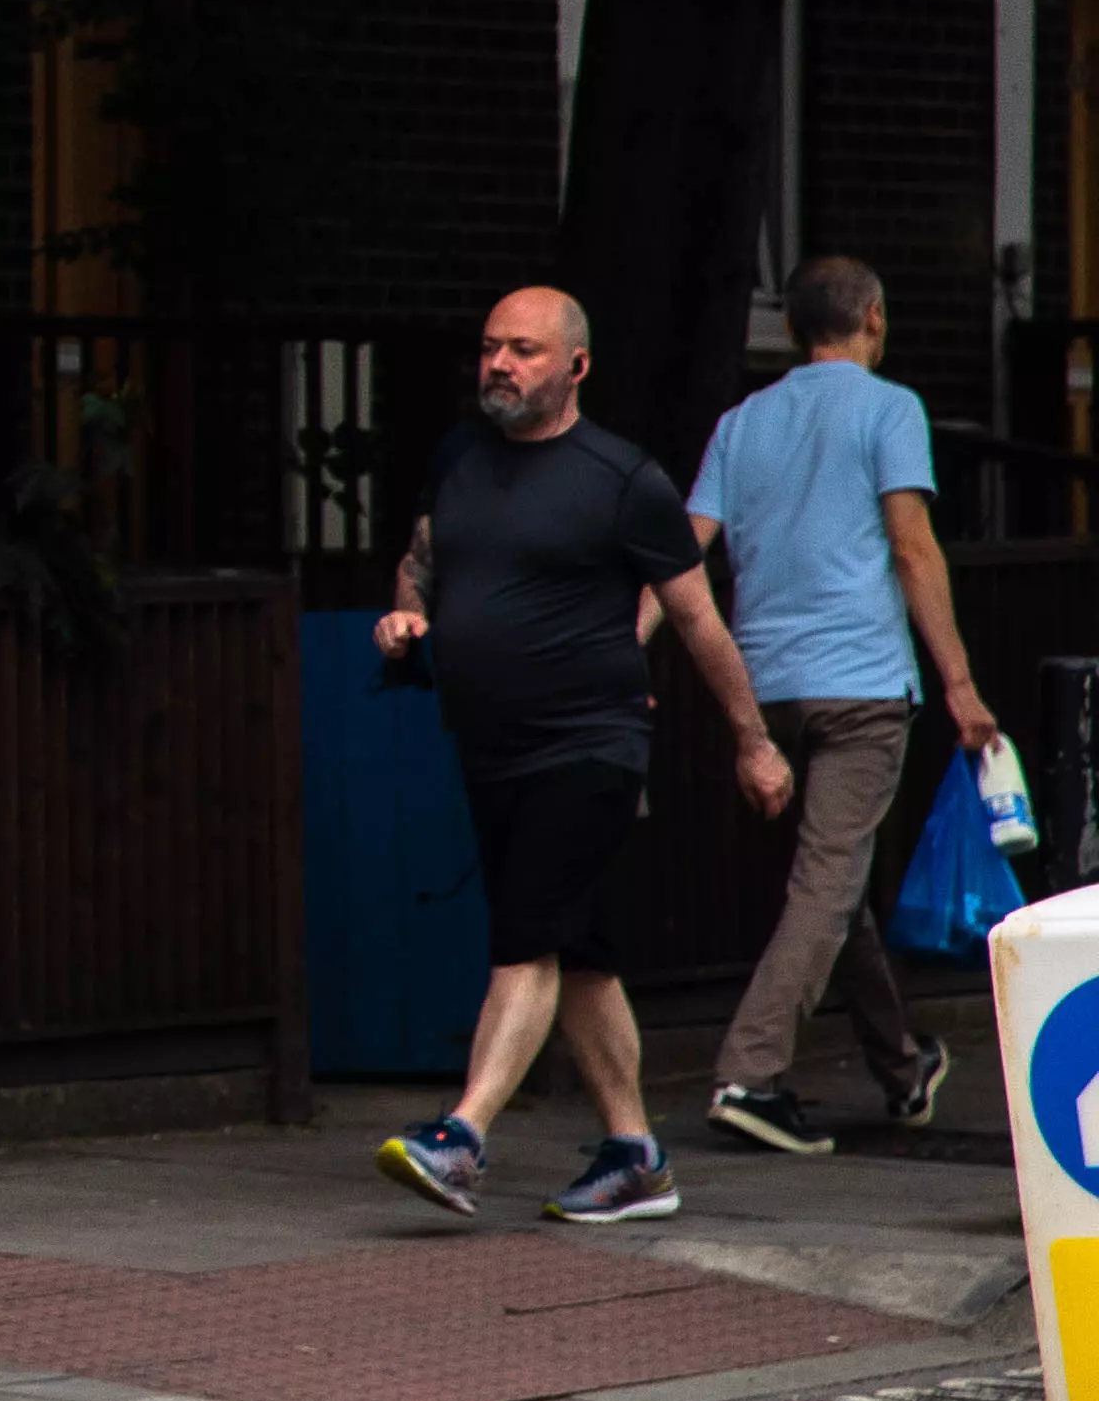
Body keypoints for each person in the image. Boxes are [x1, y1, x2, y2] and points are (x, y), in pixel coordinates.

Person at [369, 285, 788, 1224]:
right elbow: (423, 556)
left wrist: (753, 741)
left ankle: (463, 1137)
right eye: (489, 348)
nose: (499, 366)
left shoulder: (622, 479)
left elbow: (696, 620)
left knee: (528, 934)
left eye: (521, 350)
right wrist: (411, 611)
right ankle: (635, 1155)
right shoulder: (459, 457)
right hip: (488, 743)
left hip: (590, 743)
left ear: (576, 366)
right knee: (581, 952)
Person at [684, 257, 981, 1154]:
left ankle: (903, 1065)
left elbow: (679, 552)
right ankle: (749, 1071)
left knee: (834, 887)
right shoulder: (890, 409)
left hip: (767, 690)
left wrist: (632, 653)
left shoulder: (742, 423)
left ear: (791, 329)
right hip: (859, 687)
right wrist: (960, 682)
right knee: (826, 884)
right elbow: (912, 545)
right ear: (875, 320)